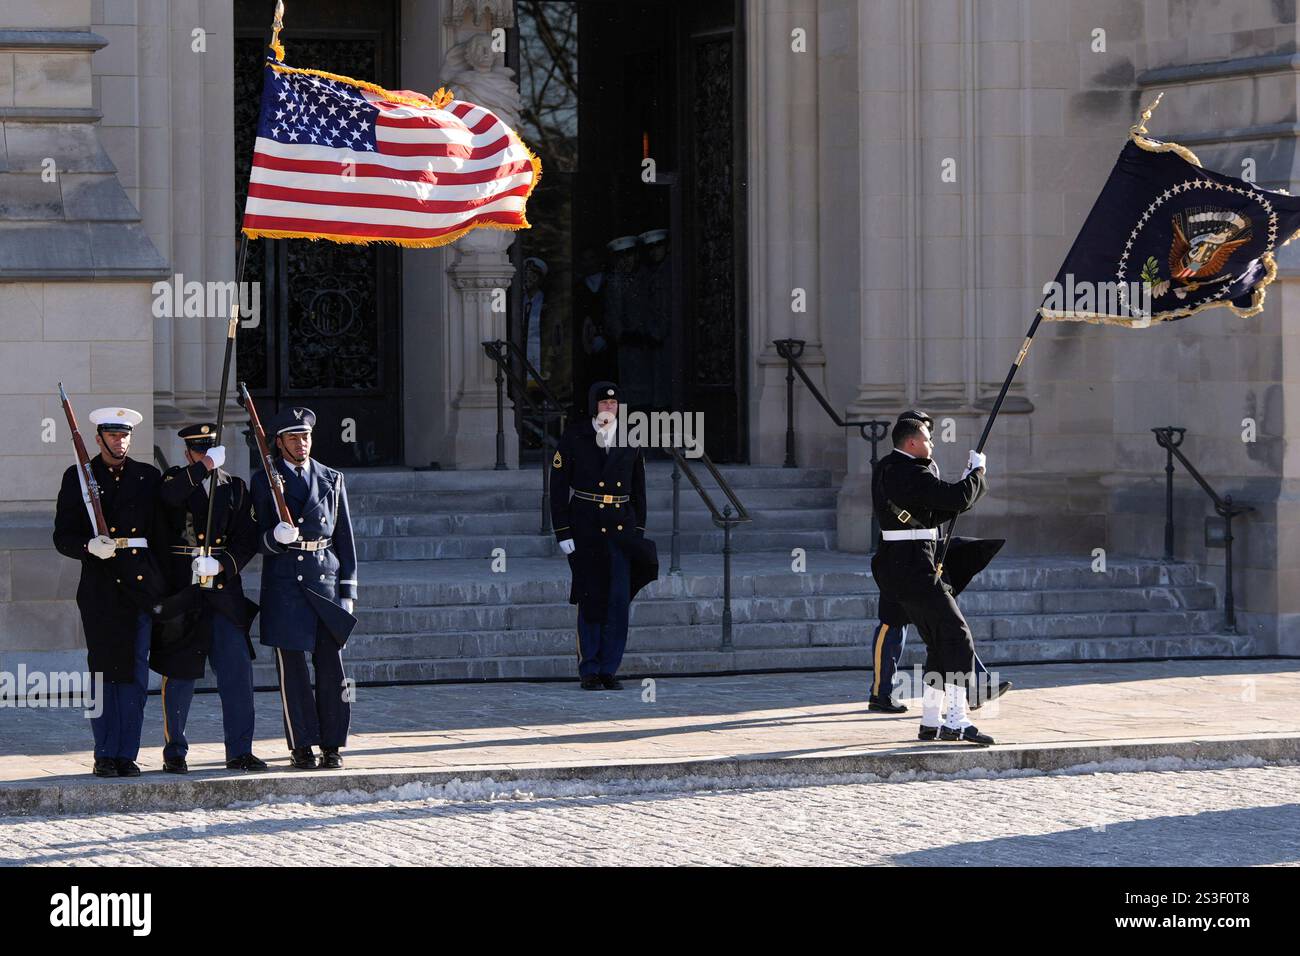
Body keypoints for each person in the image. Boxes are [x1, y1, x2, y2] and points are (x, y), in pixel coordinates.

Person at [52, 407, 169, 777]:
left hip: (138, 584)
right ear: (99, 438)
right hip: (101, 586)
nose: (121, 442)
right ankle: (104, 751)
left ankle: (126, 753)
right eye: (114, 436)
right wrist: (89, 547)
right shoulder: (80, 477)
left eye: (126, 435)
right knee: (103, 672)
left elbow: (161, 534)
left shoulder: (147, 476)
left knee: (134, 671)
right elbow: (62, 536)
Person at [868, 410, 1009, 714]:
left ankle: (934, 716)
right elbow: (953, 499)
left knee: (938, 638)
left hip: (902, 563)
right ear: (913, 442)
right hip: (913, 567)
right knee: (951, 632)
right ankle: (957, 708)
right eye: (928, 438)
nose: (933, 443)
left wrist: (963, 485)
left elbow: (931, 511)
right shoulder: (909, 471)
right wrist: (977, 474)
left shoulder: (891, 468)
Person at [153, 423, 266, 773]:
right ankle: (175, 751)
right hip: (185, 593)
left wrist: (222, 564)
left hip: (222, 593)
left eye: (209, 451)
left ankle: (239, 749)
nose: (205, 456)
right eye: (198, 452)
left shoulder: (235, 488)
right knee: (180, 673)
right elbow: (168, 499)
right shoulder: (175, 480)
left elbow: (247, 540)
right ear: (188, 453)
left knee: (236, 672)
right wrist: (201, 470)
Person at [250, 407, 358, 770]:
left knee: (332, 669)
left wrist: (348, 591)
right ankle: (301, 745)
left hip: (324, 580)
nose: (302, 444)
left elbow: (344, 537)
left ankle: (332, 744)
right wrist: (273, 538)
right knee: (292, 672)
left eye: (306, 437)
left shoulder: (331, 477)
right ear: (278, 442)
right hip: (285, 583)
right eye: (294, 438)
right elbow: (255, 538)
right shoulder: (264, 479)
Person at [551, 381, 658, 689]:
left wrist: (639, 529)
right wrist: (562, 529)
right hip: (586, 526)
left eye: (613, 404)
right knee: (590, 597)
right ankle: (590, 668)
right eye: (603, 403)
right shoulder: (576, 436)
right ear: (593, 406)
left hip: (621, 528)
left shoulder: (630, 438)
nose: (609, 408)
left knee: (617, 600)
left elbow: (639, 488)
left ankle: (610, 667)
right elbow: (557, 486)